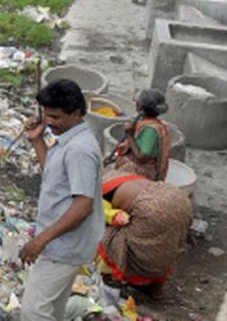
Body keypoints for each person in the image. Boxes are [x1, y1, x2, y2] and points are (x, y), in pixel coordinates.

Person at [19, 79, 104, 321]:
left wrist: (39, 241)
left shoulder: (79, 149)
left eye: (55, 117)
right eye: (46, 115)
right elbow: (55, 177)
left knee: (33, 312)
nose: (49, 123)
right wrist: (37, 140)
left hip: (63, 245)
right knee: (53, 308)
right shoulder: (68, 138)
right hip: (60, 240)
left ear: (75, 113)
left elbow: (83, 205)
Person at [97, 169, 193, 297]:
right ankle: (155, 287)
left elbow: (99, 218)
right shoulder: (119, 175)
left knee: (110, 239)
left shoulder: (98, 192)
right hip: (179, 198)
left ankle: (113, 278)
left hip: (153, 207)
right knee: (164, 246)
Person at [108, 89, 171, 182]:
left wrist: (129, 135)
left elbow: (142, 157)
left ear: (139, 106)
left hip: (142, 171)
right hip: (135, 162)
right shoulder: (144, 122)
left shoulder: (151, 130)